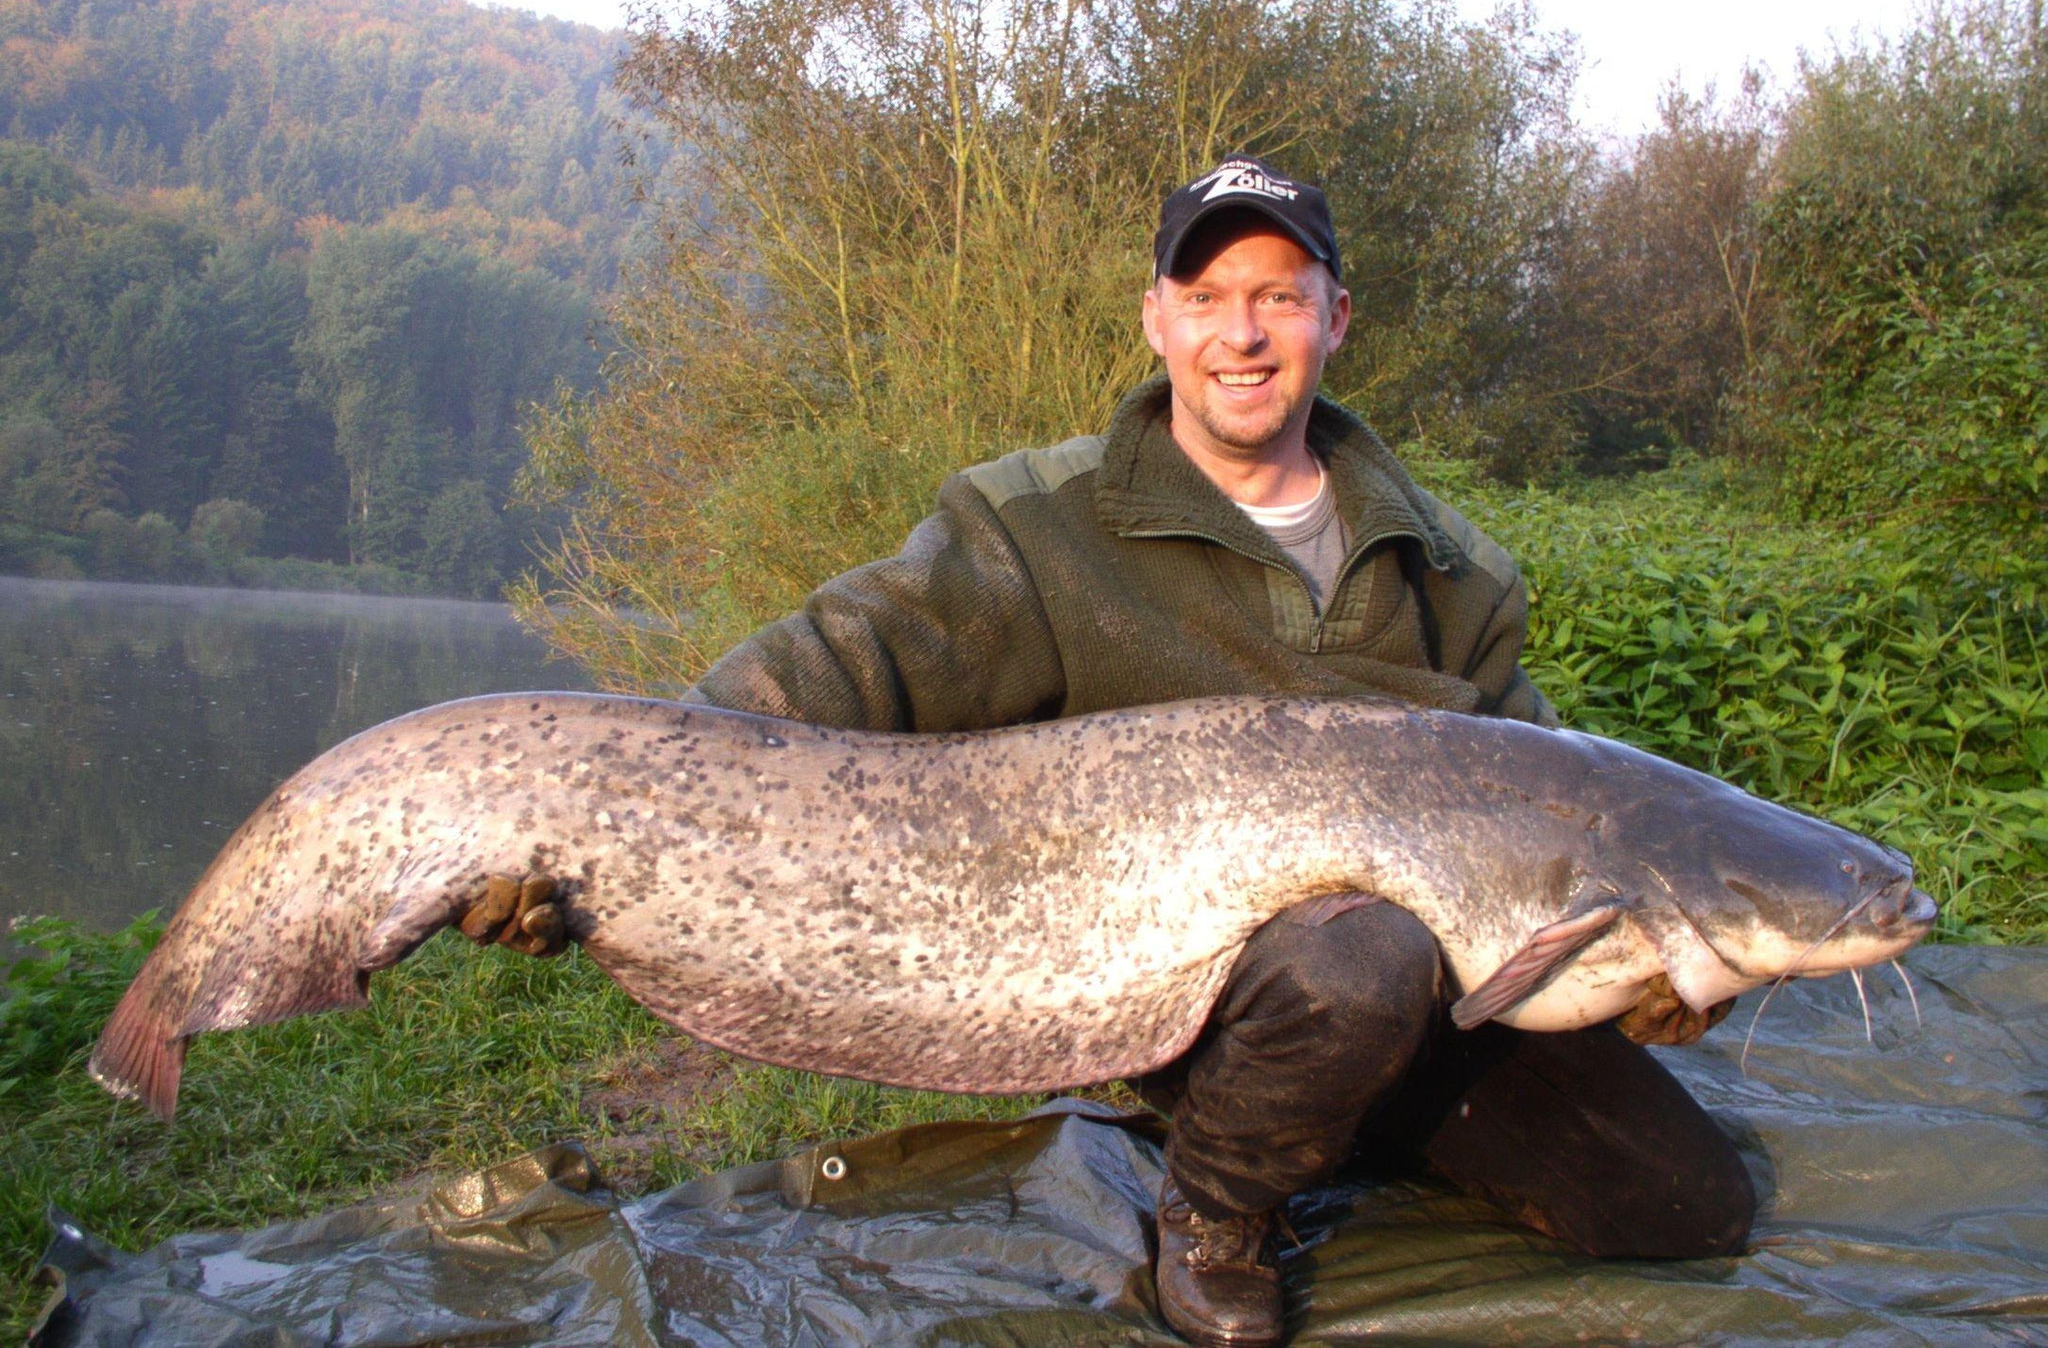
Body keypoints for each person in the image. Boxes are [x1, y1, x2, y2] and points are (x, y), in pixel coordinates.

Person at [469, 155, 1754, 1347]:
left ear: (1335, 318)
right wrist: (599, 812)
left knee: (1679, 1206)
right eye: (1204, 298)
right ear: (1156, 320)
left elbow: (1563, 798)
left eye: (1277, 297)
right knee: (1360, 953)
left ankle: (1330, 1112)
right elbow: (833, 663)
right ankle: (1218, 1211)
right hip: (1161, 974)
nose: (1240, 333)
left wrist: (1653, 956)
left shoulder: (1452, 571)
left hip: (1429, 988)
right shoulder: (1036, 523)